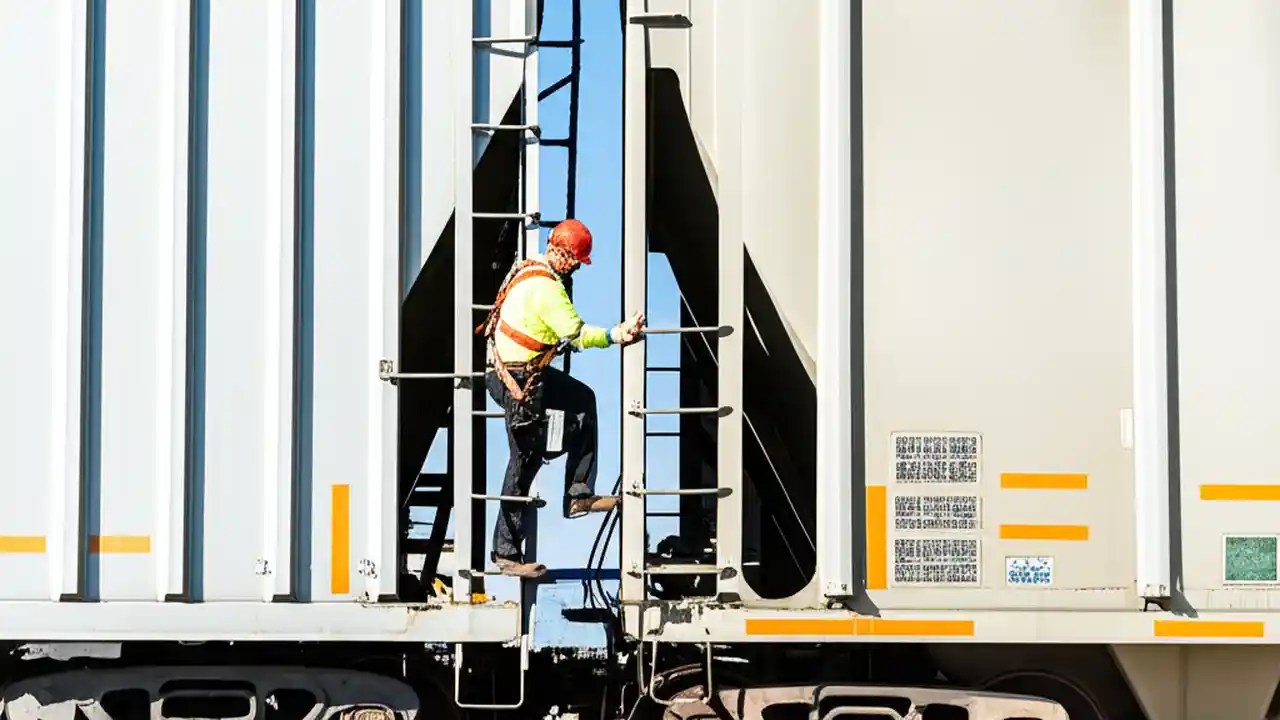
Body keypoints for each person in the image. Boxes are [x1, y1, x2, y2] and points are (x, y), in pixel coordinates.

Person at [476, 219, 646, 578]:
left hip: (520, 372)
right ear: (566, 256)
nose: (575, 269)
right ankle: (505, 553)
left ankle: (578, 493)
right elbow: (577, 334)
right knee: (524, 459)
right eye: (576, 262)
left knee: (583, 400)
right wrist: (619, 334)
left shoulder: (527, 267)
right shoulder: (547, 288)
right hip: (518, 379)